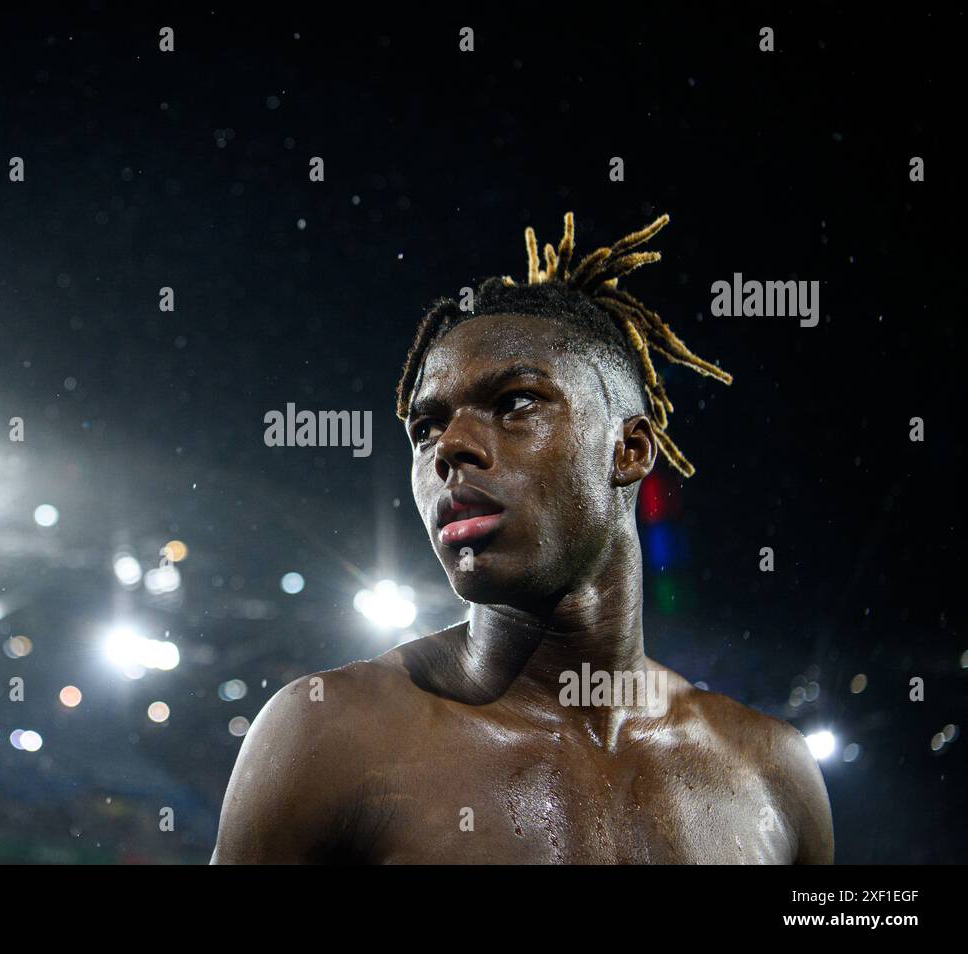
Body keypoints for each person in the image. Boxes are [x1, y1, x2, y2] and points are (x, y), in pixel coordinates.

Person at [211, 212, 834, 863]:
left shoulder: (774, 774)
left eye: (515, 402)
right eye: (425, 427)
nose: (449, 446)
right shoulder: (326, 737)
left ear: (629, 450)